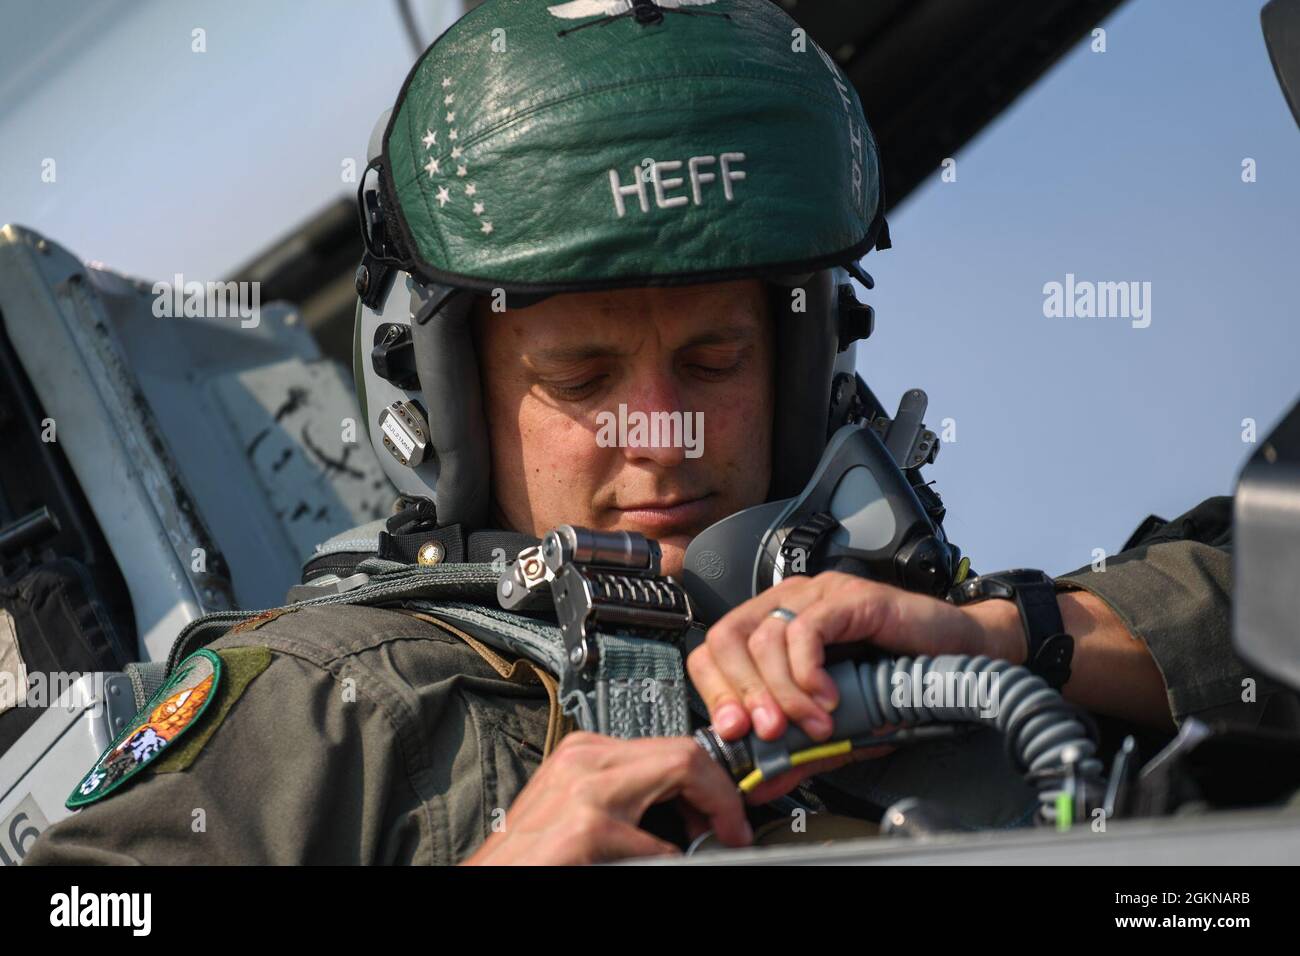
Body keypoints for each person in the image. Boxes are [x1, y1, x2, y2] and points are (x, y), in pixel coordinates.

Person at [25, 0, 1283, 866]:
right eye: (578, 373)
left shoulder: (964, 662)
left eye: (714, 358)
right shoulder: (322, 704)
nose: (661, 428)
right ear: (447, 394)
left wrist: (1022, 636)